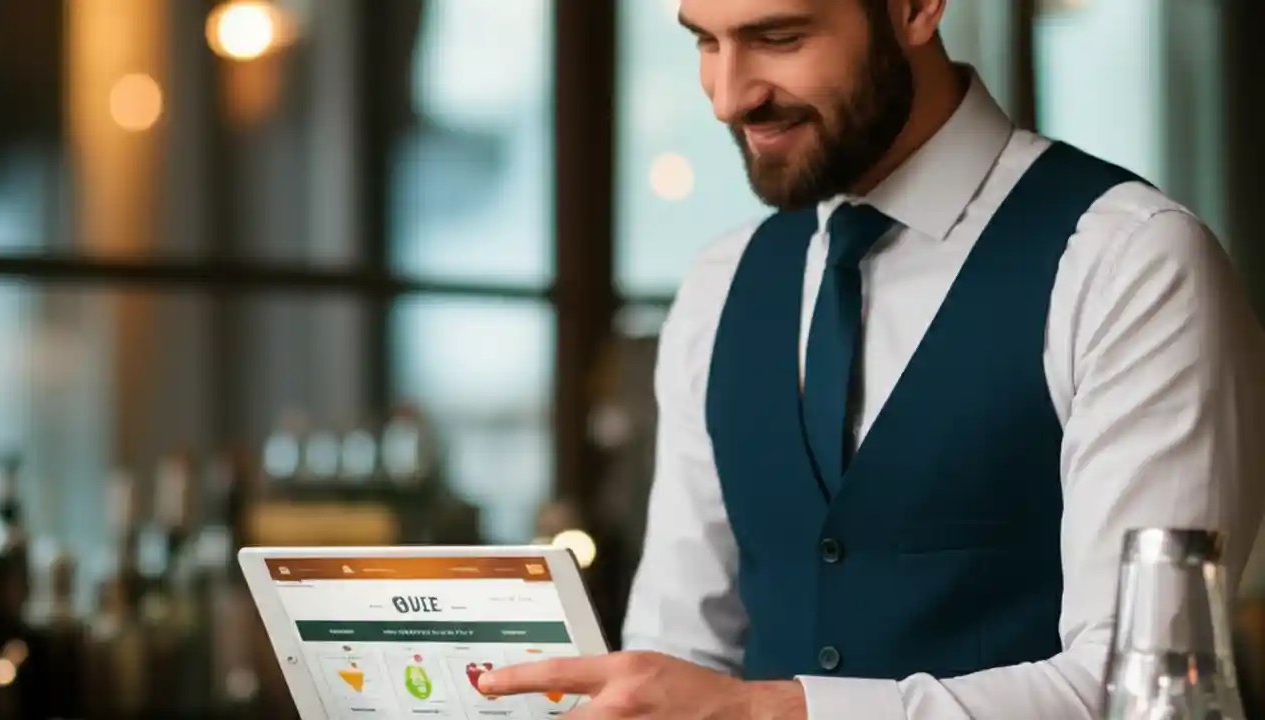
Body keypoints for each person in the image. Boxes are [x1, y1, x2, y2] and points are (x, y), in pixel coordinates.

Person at [481, 0, 1265, 717]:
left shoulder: (1132, 261)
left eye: (778, 38)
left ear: (917, 8)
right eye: (705, 42)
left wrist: (773, 712)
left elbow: (1142, 687)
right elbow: (677, 652)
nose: (727, 97)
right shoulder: (719, 288)